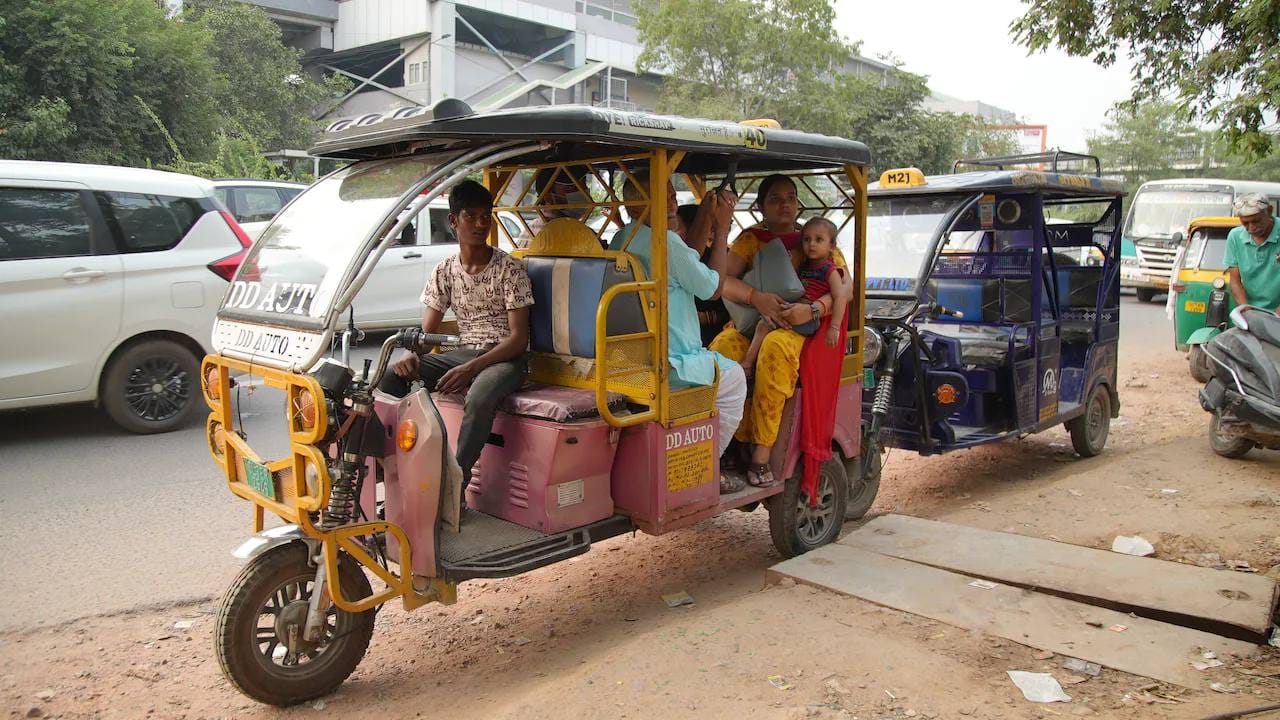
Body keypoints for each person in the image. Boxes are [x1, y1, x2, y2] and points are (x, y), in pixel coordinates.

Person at [380, 180, 533, 501]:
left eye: (485, 216)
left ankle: (453, 488)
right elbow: (427, 334)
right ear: (453, 220)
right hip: (463, 354)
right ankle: (393, 469)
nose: (480, 224)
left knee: (478, 397)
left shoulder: (510, 269)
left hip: (505, 359)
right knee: (391, 377)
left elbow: (519, 339)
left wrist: (471, 368)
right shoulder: (445, 271)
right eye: (470, 216)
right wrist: (412, 354)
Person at [608, 170, 749, 492]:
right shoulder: (665, 242)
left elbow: (688, 261)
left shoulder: (624, 237)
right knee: (735, 379)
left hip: (632, 358)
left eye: (672, 195)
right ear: (635, 205)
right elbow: (712, 289)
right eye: (663, 196)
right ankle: (706, 467)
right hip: (672, 363)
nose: (672, 202)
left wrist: (705, 216)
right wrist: (722, 229)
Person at [708, 174, 848, 489]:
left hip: (798, 329)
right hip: (752, 323)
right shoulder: (751, 239)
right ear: (761, 206)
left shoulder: (813, 237)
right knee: (721, 349)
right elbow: (721, 282)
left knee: (774, 350)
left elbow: (845, 288)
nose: (785, 205)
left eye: (791, 198)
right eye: (775, 199)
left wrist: (813, 310)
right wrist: (756, 298)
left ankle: (761, 454)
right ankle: (720, 446)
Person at [737, 216, 852, 486]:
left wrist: (829, 322)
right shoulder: (790, 256)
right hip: (790, 310)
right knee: (761, 327)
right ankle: (747, 365)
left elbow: (843, 294)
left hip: (810, 321)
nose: (812, 244)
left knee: (774, 343)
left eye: (818, 240)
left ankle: (762, 453)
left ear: (831, 245)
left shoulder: (830, 268)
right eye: (808, 240)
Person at [676, 202, 733, 346]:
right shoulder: (672, 258)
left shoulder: (717, 259)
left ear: (695, 230)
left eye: (676, 228)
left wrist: (699, 317)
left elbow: (725, 309)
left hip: (709, 335)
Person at [1225, 192, 1280, 312]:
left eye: (1256, 221)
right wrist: (1247, 311)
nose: (1251, 228)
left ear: (1269, 211)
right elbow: (1235, 282)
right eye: (1245, 223)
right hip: (1252, 312)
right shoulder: (1235, 237)